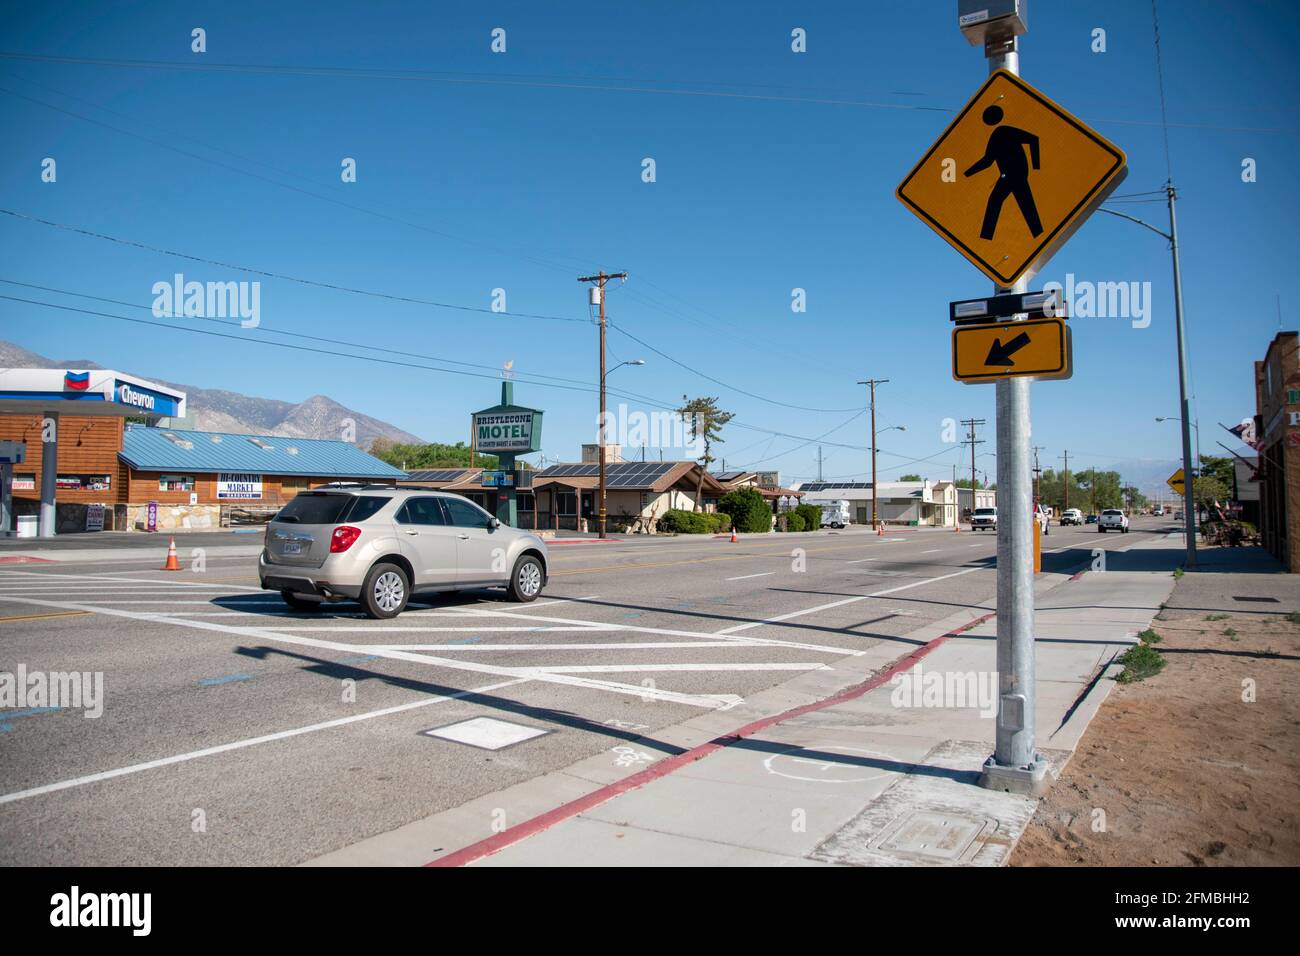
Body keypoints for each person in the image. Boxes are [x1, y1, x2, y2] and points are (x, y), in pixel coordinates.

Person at [964, 104, 1043, 240]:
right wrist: (967, 174)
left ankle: (986, 237)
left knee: (1000, 201)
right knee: (1018, 203)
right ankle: (1037, 233)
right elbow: (988, 161)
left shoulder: (1003, 131)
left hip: (1015, 174)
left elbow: (1033, 139)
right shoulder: (997, 134)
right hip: (1010, 175)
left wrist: (1037, 167)